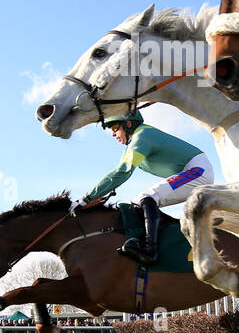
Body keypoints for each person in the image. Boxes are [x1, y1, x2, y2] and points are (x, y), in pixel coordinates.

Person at [71, 109, 213, 264]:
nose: (113, 134)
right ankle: (157, 238)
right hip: (194, 170)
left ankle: (150, 249)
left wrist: (86, 198)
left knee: (147, 197)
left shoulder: (142, 136)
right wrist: (98, 196)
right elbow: (118, 174)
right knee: (139, 201)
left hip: (198, 171)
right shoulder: (136, 140)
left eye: (115, 128)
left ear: (129, 124)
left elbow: (122, 172)